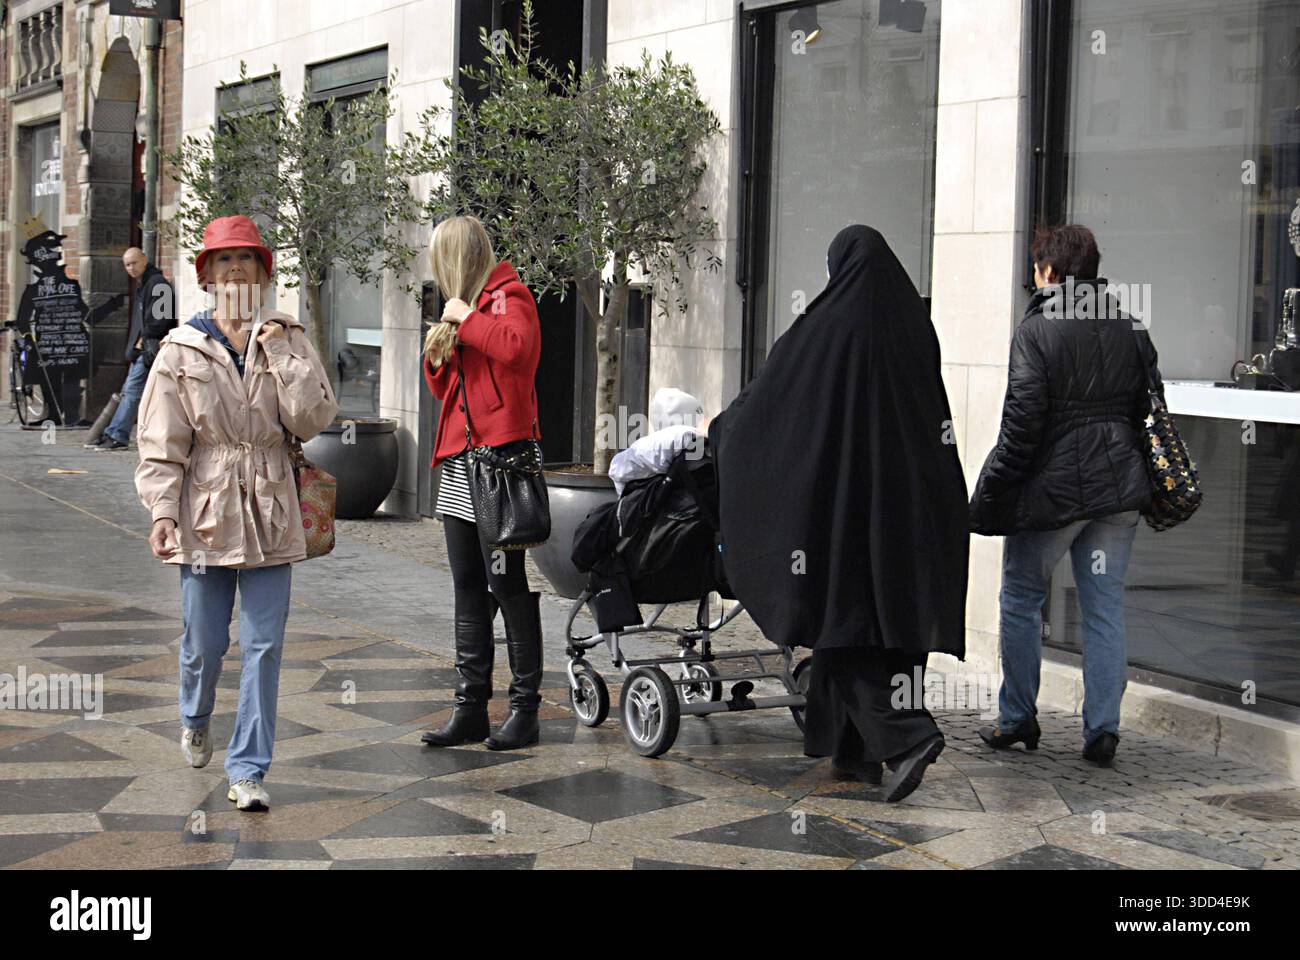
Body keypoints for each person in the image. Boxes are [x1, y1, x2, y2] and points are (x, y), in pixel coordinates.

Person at [709, 225, 969, 803]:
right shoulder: (914, 327)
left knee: (844, 626)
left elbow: (770, 407)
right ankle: (856, 751)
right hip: (910, 513)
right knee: (894, 632)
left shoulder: (824, 328)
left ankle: (906, 740)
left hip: (843, 516)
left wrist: (721, 434)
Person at [135, 215, 337, 811]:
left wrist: (278, 348)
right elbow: (161, 440)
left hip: (274, 507)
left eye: (247, 259)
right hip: (206, 510)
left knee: (264, 645)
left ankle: (247, 769)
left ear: (263, 271)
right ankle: (194, 714)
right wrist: (161, 512)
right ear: (207, 275)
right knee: (203, 643)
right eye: (225, 260)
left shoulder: (288, 338)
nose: (237, 269)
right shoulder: (180, 348)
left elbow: (313, 419)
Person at [970, 224, 1160, 768]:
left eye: (1036, 269)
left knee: (1022, 598)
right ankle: (1103, 729)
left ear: (1050, 273)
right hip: (1119, 489)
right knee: (1103, 607)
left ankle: (1017, 718)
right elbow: (1147, 408)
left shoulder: (1038, 330)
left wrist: (991, 491)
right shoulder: (1129, 326)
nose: (1034, 278)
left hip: (1053, 495)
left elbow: (1021, 424)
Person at [419, 215, 545, 752]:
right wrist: (439, 349)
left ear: (458, 260)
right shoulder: (461, 310)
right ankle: (470, 706)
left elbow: (518, 350)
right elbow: (445, 388)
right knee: (467, 585)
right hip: (458, 465)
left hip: (501, 466)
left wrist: (467, 318)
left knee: (506, 584)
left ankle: (524, 710)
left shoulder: (510, 296)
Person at [87, 247, 176, 450]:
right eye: (127, 265)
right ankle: (115, 433)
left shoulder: (157, 284)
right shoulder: (146, 283)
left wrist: (144, 339)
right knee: (132, 391)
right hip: (144, 349)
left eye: (134, 262)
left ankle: (118, 435)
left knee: (132, 392)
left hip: (149, 350)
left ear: (145, 259)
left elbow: (161, 319)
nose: (131, 268)